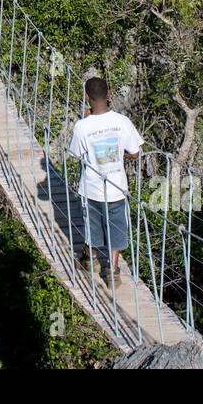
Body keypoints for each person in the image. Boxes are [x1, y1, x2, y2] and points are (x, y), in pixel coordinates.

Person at [68, 76, 144, 286]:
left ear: (87, 97)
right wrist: (120, 155)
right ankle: (112, 269)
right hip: (116, 188)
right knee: (117, 227)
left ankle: (91, 259)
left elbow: (75, 155)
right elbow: (135, 153)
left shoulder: (82, 127)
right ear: (109, 94)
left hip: (91, 188)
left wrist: (84, 121)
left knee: (92, 224)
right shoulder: (122, 122)